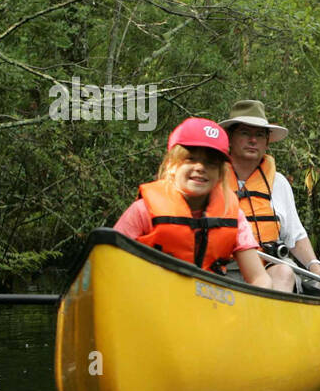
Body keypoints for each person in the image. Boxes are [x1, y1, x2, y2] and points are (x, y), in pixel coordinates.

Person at [112, 118, 272, 287]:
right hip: (150, 299)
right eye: (190, 159)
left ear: (220, 173)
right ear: (171, 165)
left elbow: (259, 278)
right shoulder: (143, 210)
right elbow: (110, 263)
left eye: (210, 163)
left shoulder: (233, 215)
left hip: (206, 304)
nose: (200, 167)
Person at [218, 99, 320, 290]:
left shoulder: (278, 182)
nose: (252, 140)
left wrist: (316, 267)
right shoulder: (211, 177)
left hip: (268, 268)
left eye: (259, 134)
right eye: (244, 132)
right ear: (229, 138)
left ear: (266, 142)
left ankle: (269, 316)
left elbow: (295, 235)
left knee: (284, 271)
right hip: (222, 268)